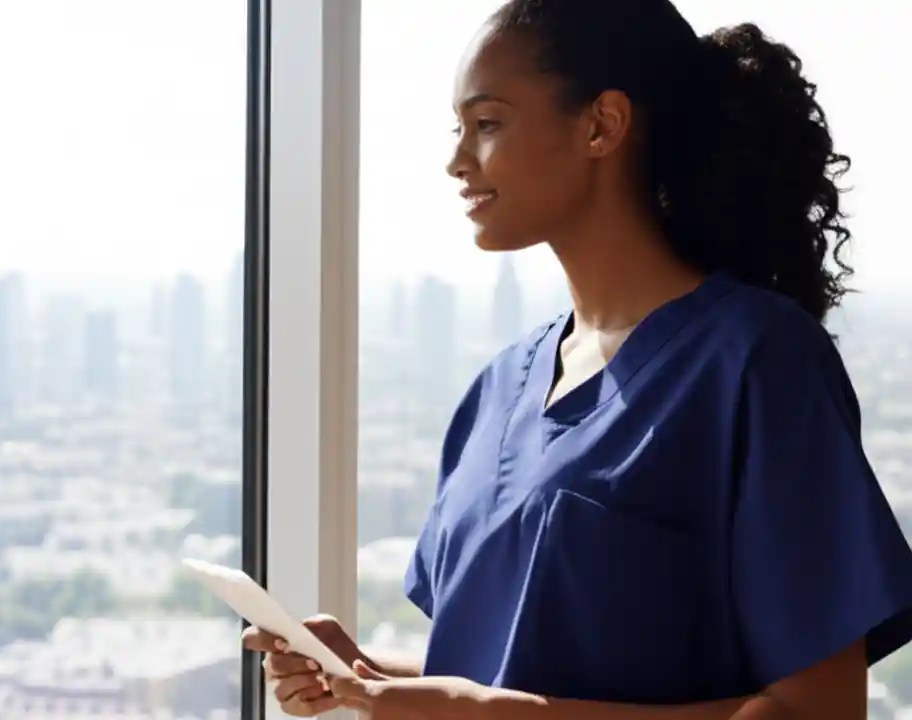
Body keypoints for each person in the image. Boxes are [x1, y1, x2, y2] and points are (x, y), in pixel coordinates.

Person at [242, 0, 912, 717]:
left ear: (602, 124)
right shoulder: (499, 389)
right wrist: (369, 676)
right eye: (460, 129)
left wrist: (507, 718)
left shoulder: (755, 363)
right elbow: (504, 668)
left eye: (488, 123)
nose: (457, 160)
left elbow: (817, 711)